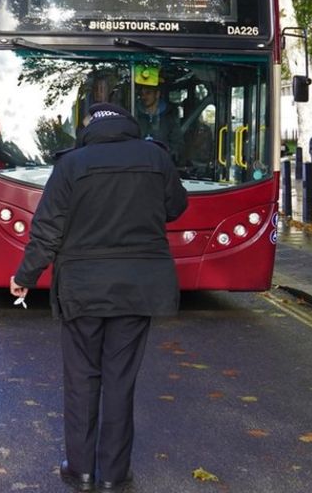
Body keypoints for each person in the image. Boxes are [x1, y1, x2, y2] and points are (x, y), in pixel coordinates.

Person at [10, 102, 187, 493]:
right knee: (120, 381)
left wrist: (25, 276)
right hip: (139, 286)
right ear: (127, 123)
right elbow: (176, 207)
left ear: (88, 126)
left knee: (81, 379)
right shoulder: (155, 157)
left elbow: (48, 229)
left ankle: (81, 470)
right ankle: (112, 474)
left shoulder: (72, 165)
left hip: (82, 288)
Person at [134, 68, 183, 163]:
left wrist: (167, 157)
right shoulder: (134, 113)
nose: (144, 97)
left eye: (148, 93)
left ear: (157, 94)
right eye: (142, 94)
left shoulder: (169, 115)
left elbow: (177, 144)